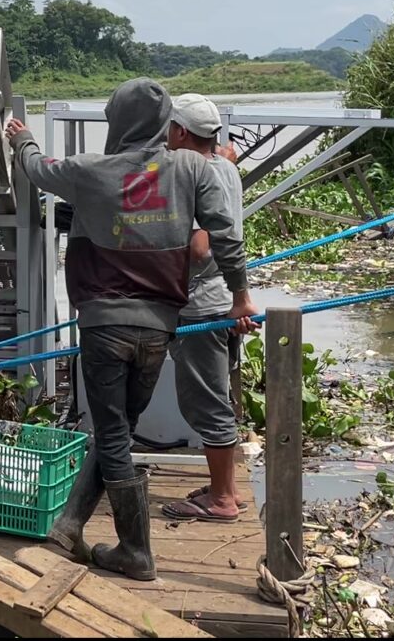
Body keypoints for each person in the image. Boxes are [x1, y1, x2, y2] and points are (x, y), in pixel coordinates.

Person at [6, 78, 258, 581]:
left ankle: (136, 552)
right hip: (159, 329)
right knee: (116, 429)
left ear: (115, 121)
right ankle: (70, 525)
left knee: (113, 432)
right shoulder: (192, 167)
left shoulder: (88, 170)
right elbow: (225, 236)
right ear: (165, 125)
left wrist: (22, 138)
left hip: (104, 326)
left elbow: (37, 169)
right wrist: (241, 297)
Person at [158, 94, 249, 523]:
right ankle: (223, 487)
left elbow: (200, 246)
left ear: (178, 132)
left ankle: (222, 501)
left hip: (199, 306)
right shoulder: (227, 166)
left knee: (206, 404)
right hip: (222, 302)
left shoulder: (192, 175)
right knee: (219, 398)